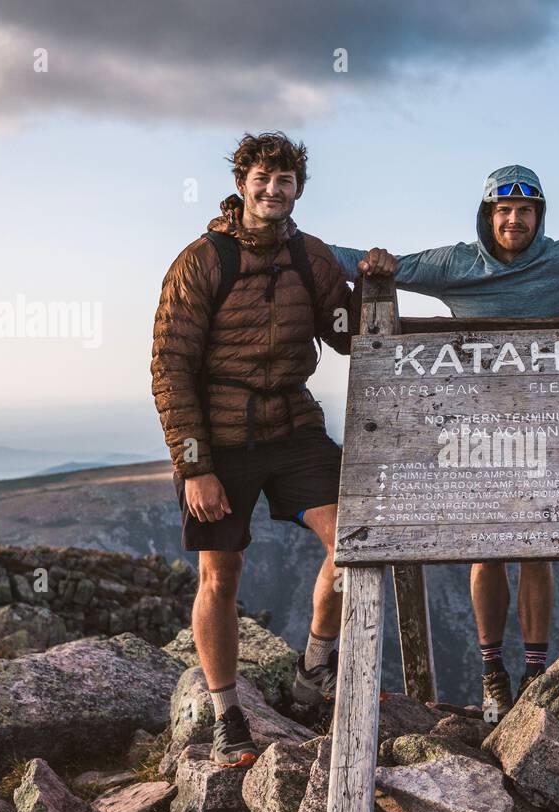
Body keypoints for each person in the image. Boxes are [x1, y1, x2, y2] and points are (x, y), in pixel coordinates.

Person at [330, 165, 559, 720]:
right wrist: (279, 236)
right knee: (487, 549)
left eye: (525, 211)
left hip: (554, 432)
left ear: (539, 217)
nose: (514, 220)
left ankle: (536, 672)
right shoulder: (456, 264)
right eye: (503, 210)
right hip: (478, 434)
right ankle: (493, 674)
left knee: (538, 549)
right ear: (487, 215)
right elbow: (368, 263)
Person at [151, 131, 394, 766]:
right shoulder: (201, 261)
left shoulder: (311, 258)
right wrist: (196, 466)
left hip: (293, 425)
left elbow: (342, 335)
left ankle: (313, 673)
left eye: (284, 180)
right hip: (221, 437)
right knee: (219, 574)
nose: (272, 188)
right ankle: (227, 711)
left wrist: (367, 288)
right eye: (262, 178)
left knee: (355, 543)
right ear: (241, 185)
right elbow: (170, 366)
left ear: (297, 190)